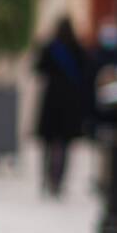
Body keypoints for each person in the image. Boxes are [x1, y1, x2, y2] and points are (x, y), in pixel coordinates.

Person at [33, 16, 93, 197]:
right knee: (64, 145)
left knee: (48, 144)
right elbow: (87, 73)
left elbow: (39, 69)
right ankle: (58, 181)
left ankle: (45, 178)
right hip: (69, 103)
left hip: (52, 101)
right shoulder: (77, 48)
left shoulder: (50, 48)